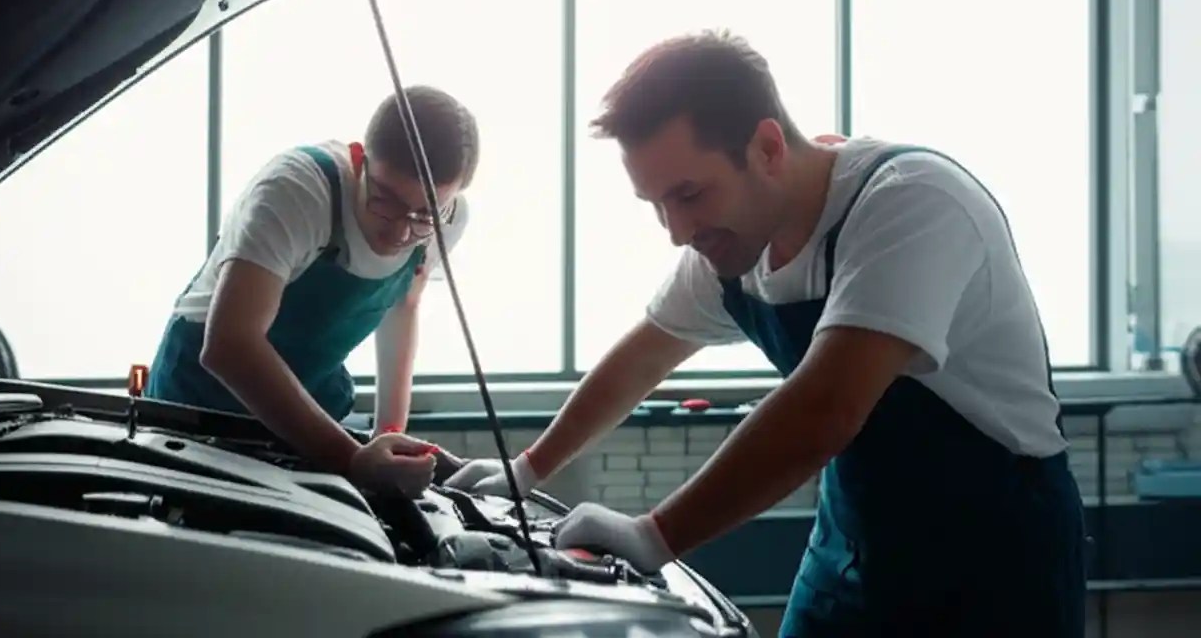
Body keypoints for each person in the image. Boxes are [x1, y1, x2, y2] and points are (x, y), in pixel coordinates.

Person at [446, 31, 1086, 636]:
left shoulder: (910, 204)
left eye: (690, 194)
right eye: (657, 205)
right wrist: (529, 468)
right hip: (851, 547)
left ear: (768, 148)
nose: (676, 230)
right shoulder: (734, 241)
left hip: (993, 557)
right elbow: (643, 357)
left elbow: (824, 411)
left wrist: (655, 535)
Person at [148, 85, 477, 499]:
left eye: (424, 213)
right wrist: (353, 460)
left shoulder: (448, 219)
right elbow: (230, 345)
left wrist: (391, 439)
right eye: (386, 200)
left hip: (308, 397)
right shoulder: (298, 190)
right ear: (360, 160)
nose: (400, 231)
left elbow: (403, 307)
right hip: (200, 402)